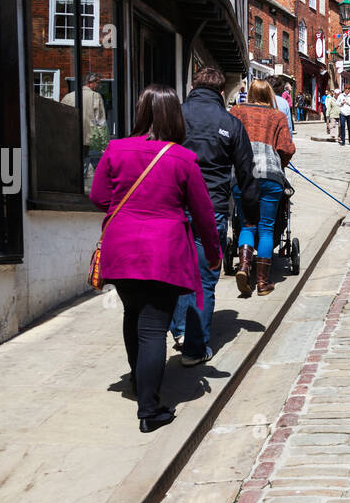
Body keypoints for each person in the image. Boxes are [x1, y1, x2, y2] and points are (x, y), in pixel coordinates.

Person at [90, 85, 220, 432]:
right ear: (174, 116)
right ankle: (149, 409)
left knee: (133, 315)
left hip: (121, 249)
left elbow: (98, 195)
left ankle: (138, 381)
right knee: (152, 329)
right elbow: (204, 213)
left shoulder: (116, 149)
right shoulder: (182, 158)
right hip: (163, 252)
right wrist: (214, 253)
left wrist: (127, 212)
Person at [169, 66, 259, 366]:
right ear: (222, 92)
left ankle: (181, 330)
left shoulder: (174, 115)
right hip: (212, 208)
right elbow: (246, 173)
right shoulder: (230, 123)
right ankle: (195, 348)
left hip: (172, 207)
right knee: (204, 279)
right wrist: (251, 214)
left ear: (193, 85)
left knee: (176, 275)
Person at [232, 80, 295, 297]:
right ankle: (262, 282)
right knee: (267, 228)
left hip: (243, 175)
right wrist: (280, 163)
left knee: (247, 226)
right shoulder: (277, 116)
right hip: (270, 176)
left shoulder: (237, 111)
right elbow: (287, 148)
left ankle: (243, 267)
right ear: (270, 94)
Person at [63, 72, 106, 164]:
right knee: (85, 164)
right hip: (88, 139)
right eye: (98, 83)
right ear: (90, 82)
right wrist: (103, 143)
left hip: (70, 138)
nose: (99, 86)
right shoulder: (95, 96)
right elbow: (100, 121)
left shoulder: (68, 96)